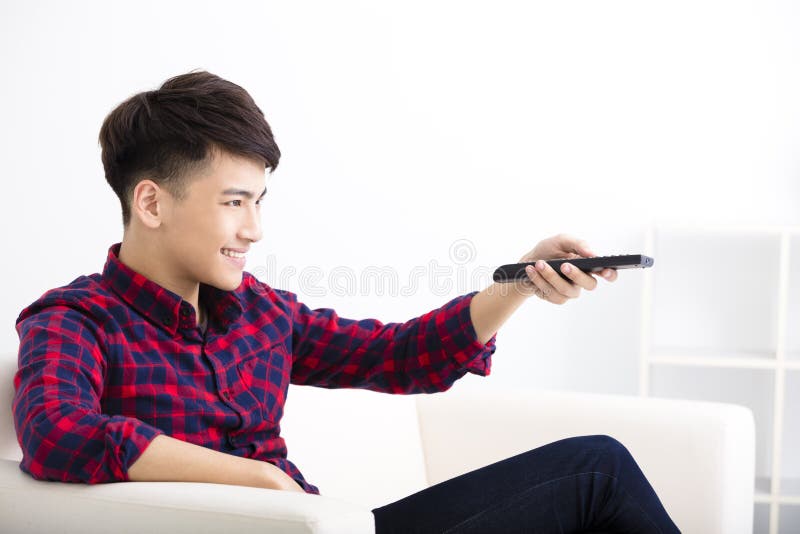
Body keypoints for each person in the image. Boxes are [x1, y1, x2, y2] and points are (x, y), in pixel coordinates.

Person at [12, 70, 679, 533]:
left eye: (259, 202)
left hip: (325, 526)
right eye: (234, 202)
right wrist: (258, 480)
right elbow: (56, 433)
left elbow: (400, 357)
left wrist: (519, 283)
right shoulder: (78, 320)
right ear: (151, 201)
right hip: (296, 523)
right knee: (599, 469)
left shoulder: (265, 313)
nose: (255, 229)